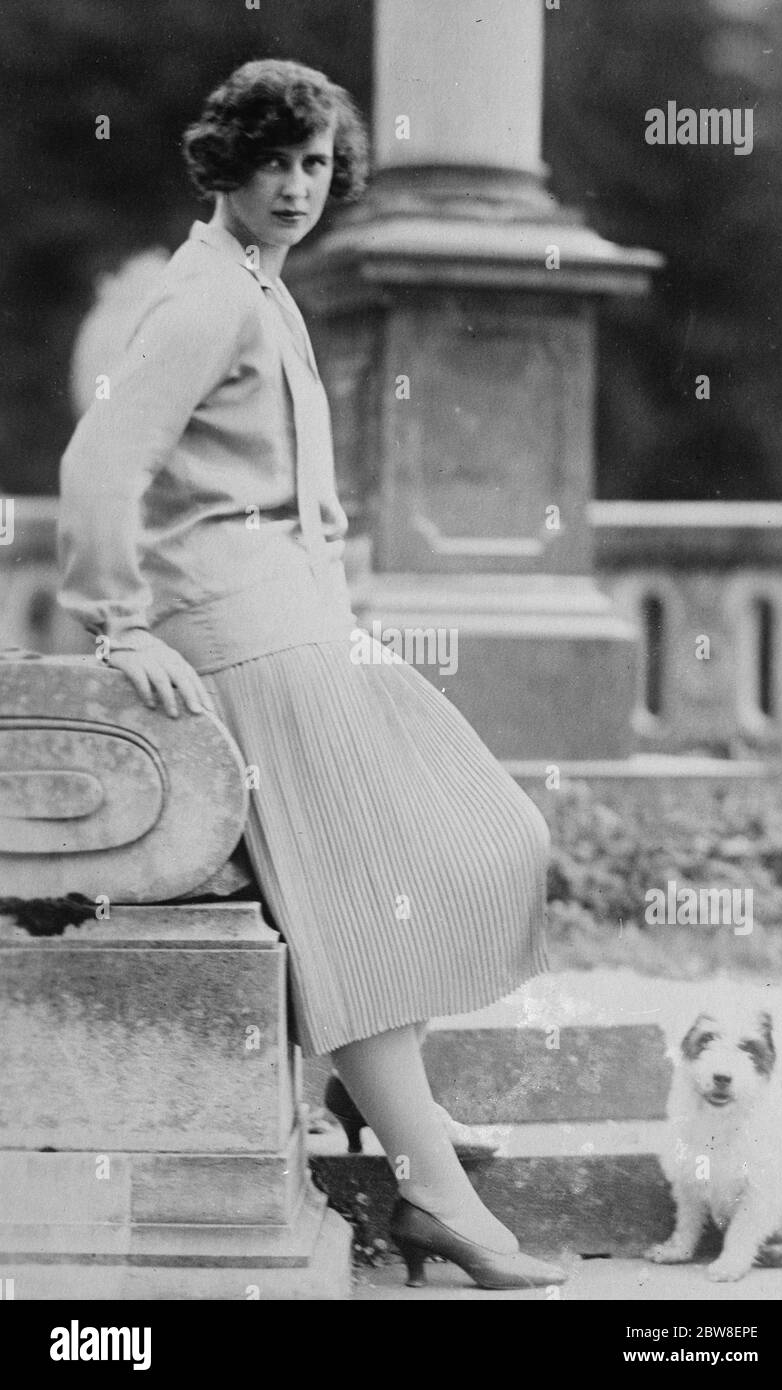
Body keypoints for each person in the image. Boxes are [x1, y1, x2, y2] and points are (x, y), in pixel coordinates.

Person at [57, 58, 565, 1291]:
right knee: (367, 887)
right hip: (240, 630)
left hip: (298, 617)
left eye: (316, 164)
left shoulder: (257, 286)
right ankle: (430, 1186)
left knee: (489, 837)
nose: (295, 188)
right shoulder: (205, 296)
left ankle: (390, 1105)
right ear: (223, 164)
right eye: (272, 161)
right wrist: (119, 622)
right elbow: (98, 463)